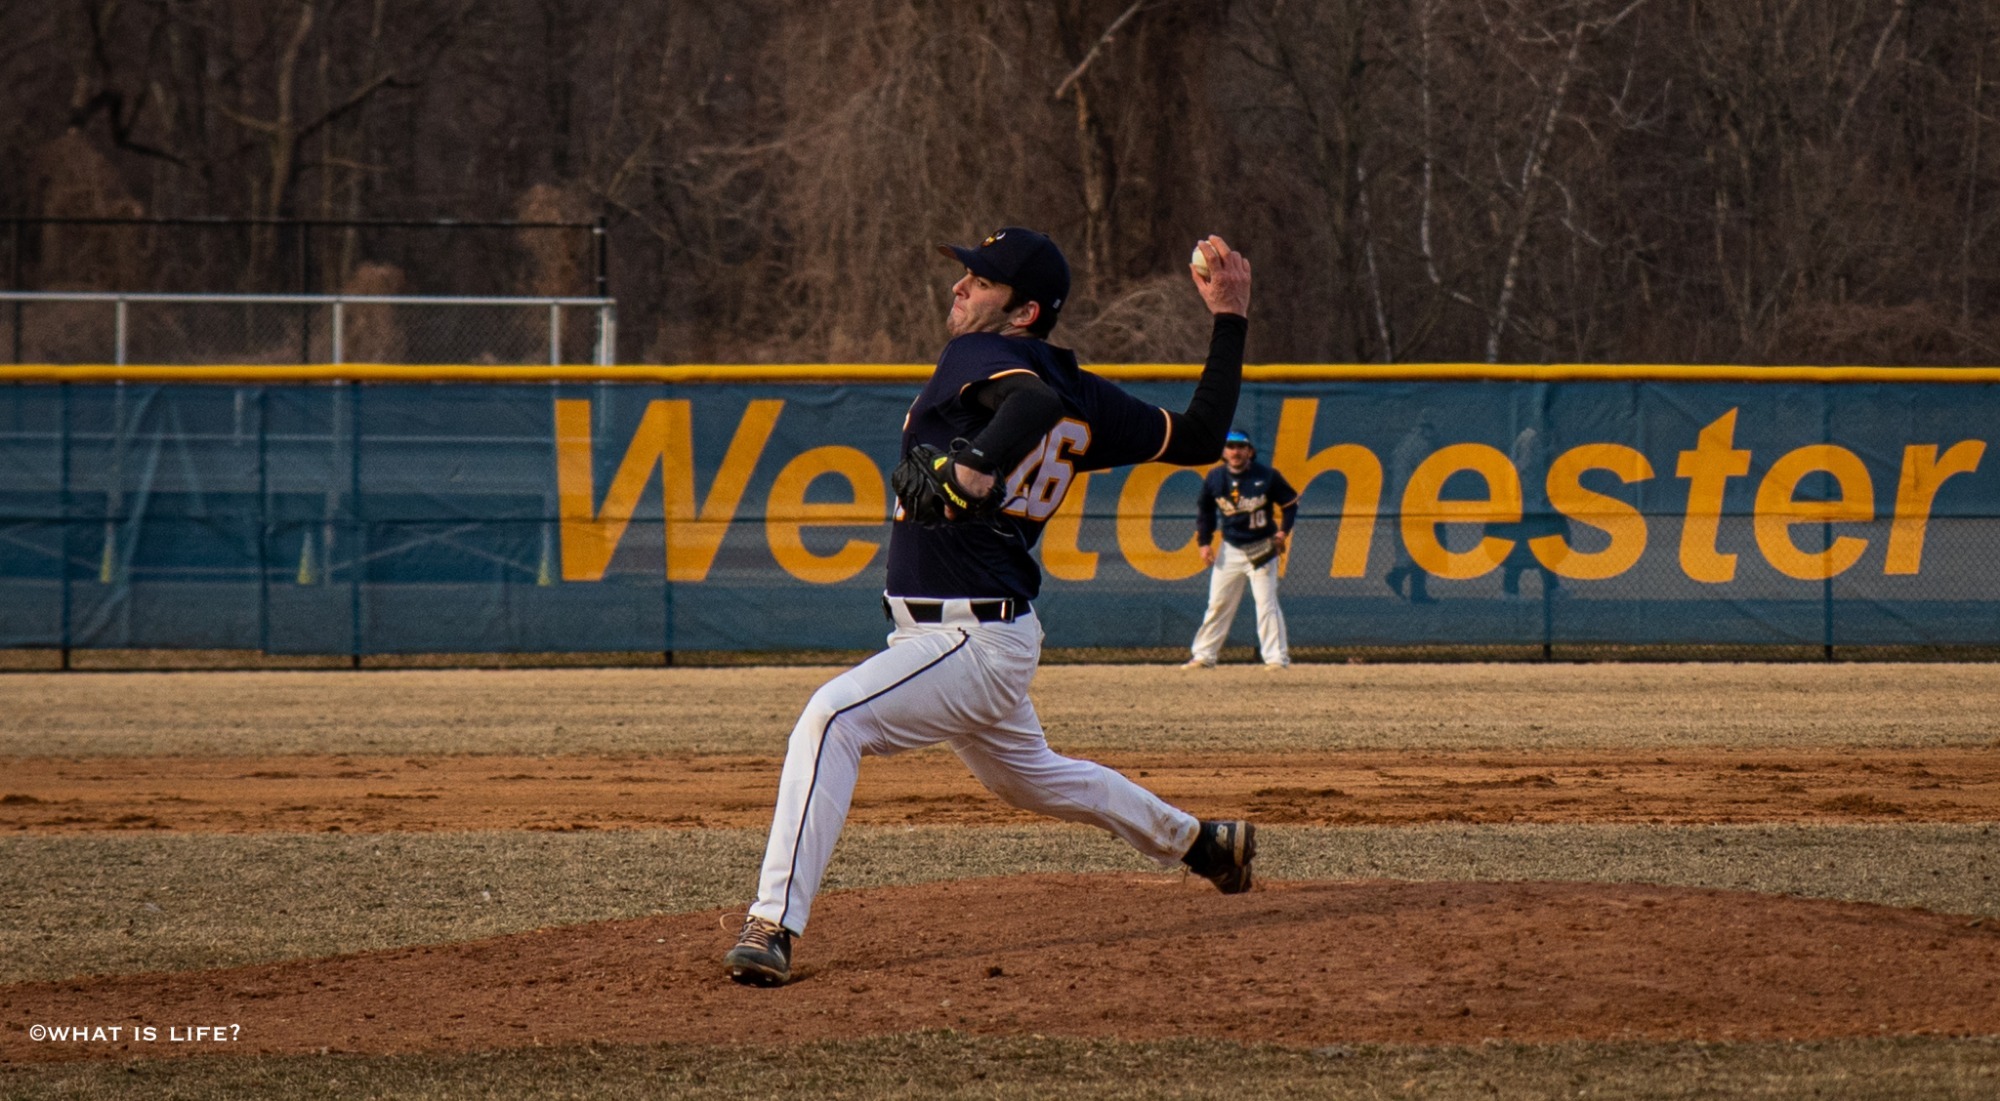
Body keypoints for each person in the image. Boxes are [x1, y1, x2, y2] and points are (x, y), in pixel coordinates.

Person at [721, 227, 1260, 987]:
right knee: (1035, 778)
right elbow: (1201, 432)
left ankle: (772, 924)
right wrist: (1229, 318)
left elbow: (1028, 402)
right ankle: (1202, 843)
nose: (961, 287)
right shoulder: (1083, 391)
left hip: (965, 637)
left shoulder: (977, 354)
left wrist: (973, 468)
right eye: (965, 273)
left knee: (831, 719)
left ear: (1024, 312)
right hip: (986, 635)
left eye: (980, 279)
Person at [1181, 430, 1299, 669]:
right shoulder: (1215, 478)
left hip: (1262, 547)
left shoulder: (1266, 476)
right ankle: (1204, 656)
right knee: (1218, 603)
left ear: (1250, 451)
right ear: (1223, 452)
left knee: (1266, 603)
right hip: (1231, 548)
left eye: (1240, 446)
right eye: (1231, 446)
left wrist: (1282, 532)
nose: (1235, 451)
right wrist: (1204, 543)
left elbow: (1290, 504)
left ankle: (1277, 658)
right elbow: (1205, 512)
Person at [1383, 410, 1440, 605]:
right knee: (1422, 549)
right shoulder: (1423, 446)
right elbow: (1426, 477)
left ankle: (1407, 584)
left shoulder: (1404, 443)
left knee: (1407, 547)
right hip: (1416, 504)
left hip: (1399, 502)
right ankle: (1405, 582)